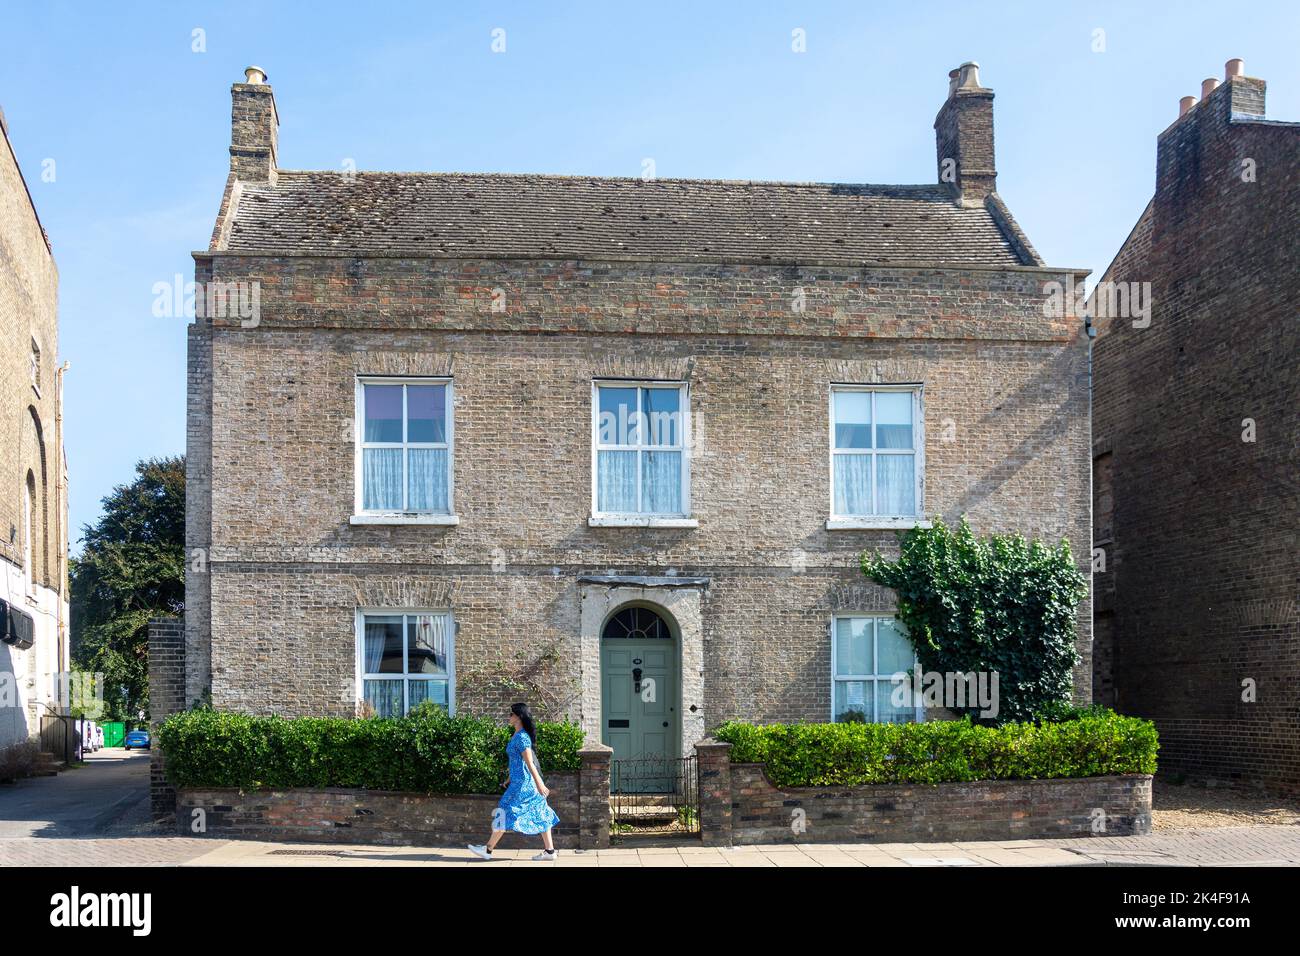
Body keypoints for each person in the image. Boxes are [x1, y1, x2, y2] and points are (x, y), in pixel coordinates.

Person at [468, 702, 561, 861]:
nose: (509, 717)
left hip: (524, 785)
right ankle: (550, 851)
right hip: (520, 782)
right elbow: (517, 762)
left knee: (503, 810)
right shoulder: (517, 735)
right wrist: (509, 779)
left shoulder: (522, 737)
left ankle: (488, 849)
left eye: (511, 714)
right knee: (540, 812)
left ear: (519, 717)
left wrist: (539, 784)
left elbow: (529, 762)